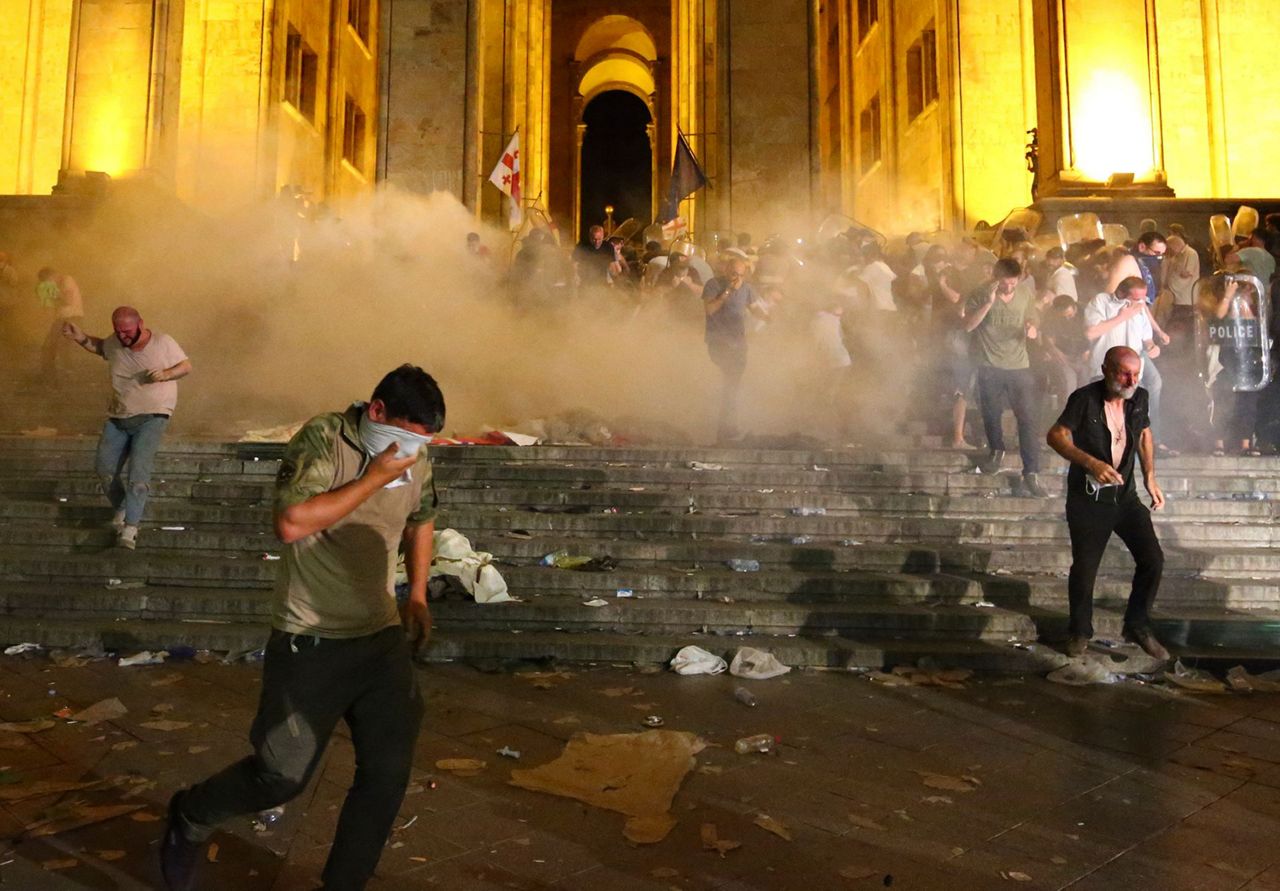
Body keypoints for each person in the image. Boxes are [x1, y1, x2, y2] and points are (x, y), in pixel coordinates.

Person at [160, 365, 443, 891]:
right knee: (279, 776)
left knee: (386, 774)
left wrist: (419, 594)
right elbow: (291, 523)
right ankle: (191, 814)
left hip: (380, 638)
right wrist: (372, 478)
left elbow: (421, 515)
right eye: (406, 435)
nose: (411, 449)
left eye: (422, 441)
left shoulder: (415, 455)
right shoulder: (324, 437)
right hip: (311, 638)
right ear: (377, 411)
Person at [1046, 346, 1169, 660]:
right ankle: (1079, 632)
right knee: (1086, 568)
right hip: (1089, 500)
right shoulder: (1084, 399)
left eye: (1136, 373)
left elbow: (1143, 435)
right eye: (1124, 373)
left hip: (1125, 498)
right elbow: (1056, 435)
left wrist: (1150, 476)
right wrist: (1090, 463)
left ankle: (1137, 625)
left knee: (1153, 558)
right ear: (1106, 370)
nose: (1130, 380)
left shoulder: (1139, 397)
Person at [63, 307, 191, 549]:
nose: (123, 337)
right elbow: (101, 347)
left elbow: (185, 366)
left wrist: (165, 374)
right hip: (118, 416)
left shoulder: (163, 342)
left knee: (138, 474)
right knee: (105, 469)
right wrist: (80, 337)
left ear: (141, 324)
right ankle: (124, 507)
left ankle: (130, 529)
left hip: (153, 415)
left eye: (128, 331)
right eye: (118, 331)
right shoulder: (115, 342)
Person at [964, 257, 1046, 496]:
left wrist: (1032, 327)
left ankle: (1031, 472)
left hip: (1019, 364)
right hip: (989, 364)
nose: (1009, 287)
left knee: (1028, 418)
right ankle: (996, 450)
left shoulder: (1024, 294)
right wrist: (988, 303)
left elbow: (1034, 320)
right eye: (1004, 283)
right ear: (995, 278)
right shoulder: (981, 293)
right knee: (991, 412)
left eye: (1013, 283)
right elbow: (968, 326)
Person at [1083, 276, 1172, 453]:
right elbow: (1091, 333)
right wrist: (1122, 317)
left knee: (1144, 399)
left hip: (1133, 370)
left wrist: (1153, 347)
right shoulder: (1101, 301)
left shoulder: (1139, 308)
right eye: (1136, 298)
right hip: (1107, 369)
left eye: (1142, 298)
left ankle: (1150, 444)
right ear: (1122, 293)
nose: (1141, 302)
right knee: (1111, 414)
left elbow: (1146, 337)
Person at [703, 256, 765, 442]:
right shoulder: (713, 285)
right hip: (719, 341)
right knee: (730, 382)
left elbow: (755, 308)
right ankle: (725, 427)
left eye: (740, 275)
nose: (736, 278)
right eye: (733, 274)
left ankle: (728, 426)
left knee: (733, 384)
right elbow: (710, 310)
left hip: (738, 343)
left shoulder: (746, 288)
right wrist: (729, 290)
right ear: (726, 271)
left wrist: (769, 317)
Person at [37, 266, 84, 379]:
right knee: (56, 345)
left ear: (51, 276)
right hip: (65, 317)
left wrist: (53, 293)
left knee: (55, 345)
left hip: (71, 317)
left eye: (47, 280)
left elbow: (67, 300)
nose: (48, 284)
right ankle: (55, 372)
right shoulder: (60, 283)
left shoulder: (66, 280)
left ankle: (54, 373)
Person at [1105, 230, 1167, 302]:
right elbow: (1110, 295)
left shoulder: (1147, 267)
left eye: (1162, 254)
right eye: (1156, 253)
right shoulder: (1128, 261)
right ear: (1142, 247)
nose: (1159, 257)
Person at [574, 225, 614, 289]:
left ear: (603, 236)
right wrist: (576, 276)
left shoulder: (608, 247)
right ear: (590, 237)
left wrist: (612, 279)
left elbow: (613, 265)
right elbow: (575, 263)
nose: (596, 242)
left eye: (599, 239)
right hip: (585, 281)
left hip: (603, 281)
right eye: (594, 239)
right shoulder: (582, 246)